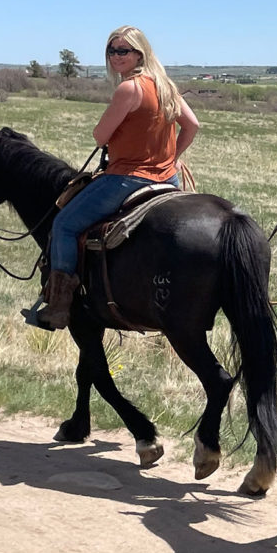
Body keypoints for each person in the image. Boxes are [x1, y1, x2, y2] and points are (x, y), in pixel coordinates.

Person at [36, 25, 200, 329]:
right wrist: (172, 159)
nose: (116, 56)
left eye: (123, 50)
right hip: (168, 180)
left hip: (127, 179)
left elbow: (100, 137)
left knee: (64, 225)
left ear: (140, 53)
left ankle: (59, 307)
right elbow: (192, 126)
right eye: (112, 50)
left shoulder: (129, 89)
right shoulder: (164, 85)